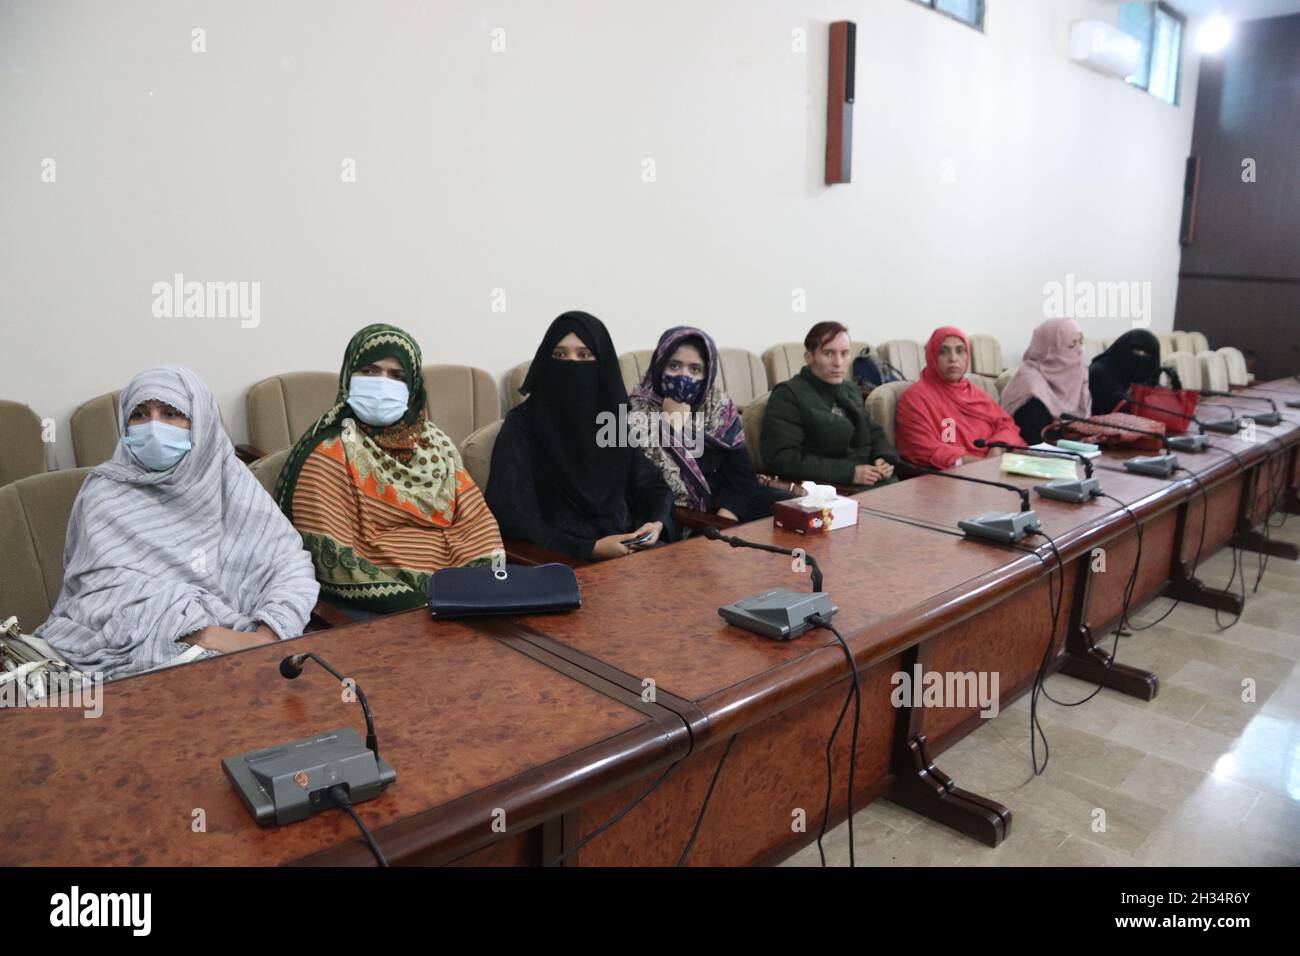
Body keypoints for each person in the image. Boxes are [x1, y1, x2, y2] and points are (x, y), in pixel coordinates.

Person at [35, 366, 319, 679]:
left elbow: (290, 563)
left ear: (201, 421)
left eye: (171, 414)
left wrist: (268, 634)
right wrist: (204, 633)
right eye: (140, 415)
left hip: (251, 649)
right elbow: (101, 597)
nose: (153, 427)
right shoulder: (104, 493)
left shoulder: (231, 479)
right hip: (152, 656)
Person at [276, 324, 503, 612]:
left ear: (414, 387)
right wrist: (419, 604)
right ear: (348, 377)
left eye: (397, 376)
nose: (382, 383)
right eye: (370, 372)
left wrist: (482, 582)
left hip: (461, 594)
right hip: (383, 607)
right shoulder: (328, 453)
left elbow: (475, 519)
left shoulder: (437, 444)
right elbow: (334, 556)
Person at [486, 311, 675, 560]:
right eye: (560, 355)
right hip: (560, 564)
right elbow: (514, 520)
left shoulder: (611, 421)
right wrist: (590, 549)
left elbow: (653, 484)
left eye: (583, 355)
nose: (571, 364)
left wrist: (655, 523)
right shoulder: (522, 424)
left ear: (602, 364)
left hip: (629, 554)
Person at [630, 326, 795, 522]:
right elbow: (647, 482)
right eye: (674, 366)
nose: (684, 377)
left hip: (723, 504)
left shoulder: (719, 406)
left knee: (790, 507)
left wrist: (727, 514)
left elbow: (742, 476)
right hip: (670, 512)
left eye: (695, 369)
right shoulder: (636, 409)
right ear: (659, 366)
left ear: (707, 374)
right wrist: (670, 428)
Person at [760, 321, 898, 489]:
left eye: (845, 353)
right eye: (829, 353)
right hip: (828, 490)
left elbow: (874, 432)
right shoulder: (788, 394)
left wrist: (883, 458)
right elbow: (781, 458)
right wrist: (850, 473)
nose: (838, 363)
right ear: (809, 357)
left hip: (873, 482)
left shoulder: (850, 389)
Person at [894, 326, 1023, 469]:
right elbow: (923, 447)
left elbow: (1006, 425)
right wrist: (981, 464)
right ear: (931, 356)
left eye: (960, 351)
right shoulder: (915, 399)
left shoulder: (975, 393)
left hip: (994, 467)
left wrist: (997, 447)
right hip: (953, 479)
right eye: (943, 352)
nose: (953, 359)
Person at [999, 318, 1091, 445]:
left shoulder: (1078, 378)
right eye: (1071, 345)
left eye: (1081, 342)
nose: (1080, 351)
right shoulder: (1030, 389)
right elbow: (1034, 442)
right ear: (1048, 349)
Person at [1088, 329, 1163, 415]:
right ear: (1122, 348)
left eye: (1147, 354)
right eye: (1137, 351)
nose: (1141, 357)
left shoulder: (1147, 373)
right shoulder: (1099, 374)